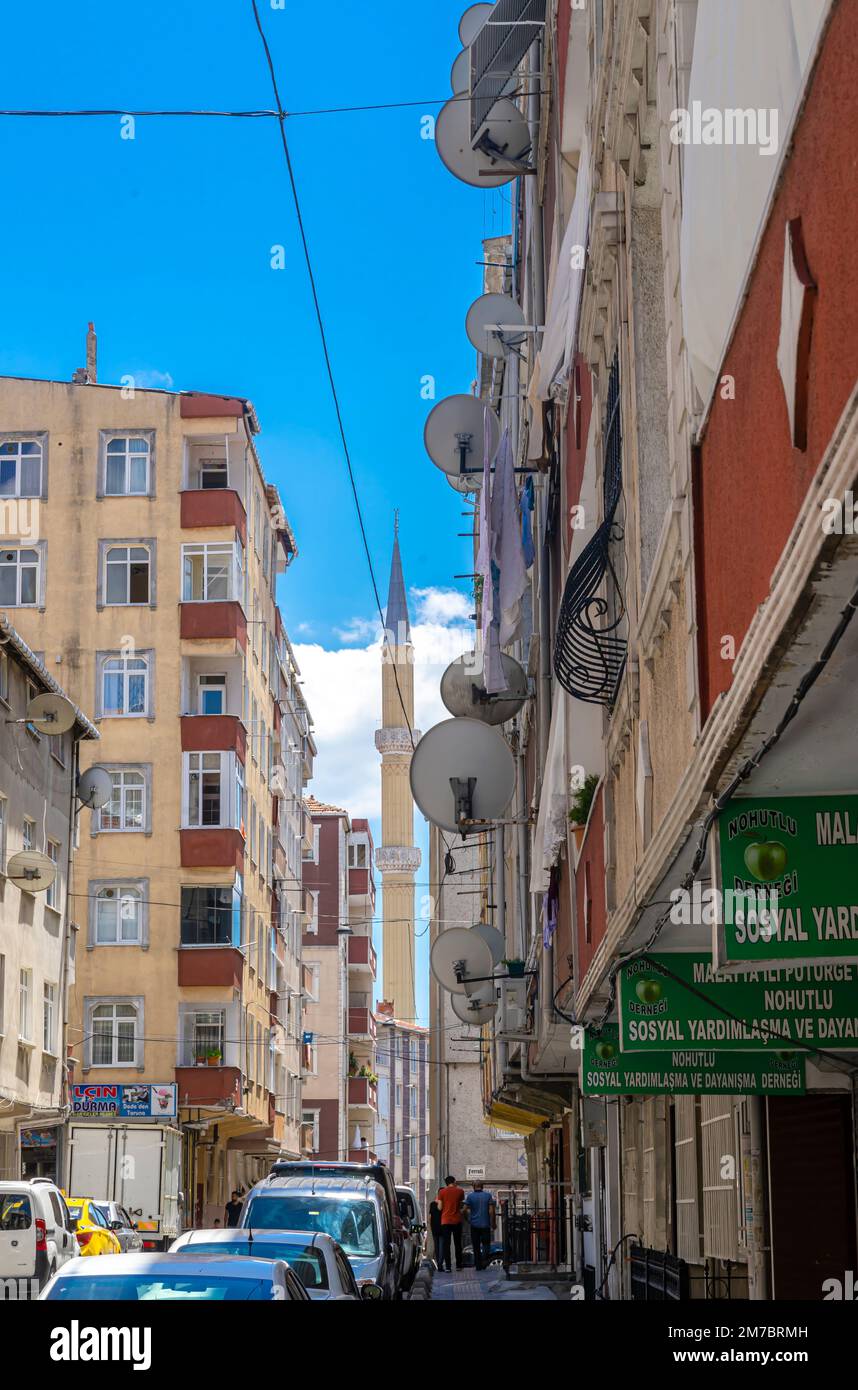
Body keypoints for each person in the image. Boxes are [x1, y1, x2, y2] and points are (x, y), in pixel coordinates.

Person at [436, 1175, 465, 1273]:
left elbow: (440, 1208)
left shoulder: (441, 1192)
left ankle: (448, 1267)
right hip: (457, 1220)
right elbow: (461, 1204)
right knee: (458, 1243)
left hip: (445, 1221)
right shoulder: (460, 1191)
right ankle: (459, 1265)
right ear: (454, 1181)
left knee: (446, 1244)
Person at [465, 1181, 496, 1271]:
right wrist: (493, 1223)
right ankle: (484, 1261)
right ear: (482, 1186)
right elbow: (491, 1211)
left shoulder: (470, 1196)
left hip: (474, 1225)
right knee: (486, 1245)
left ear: (474, 1186)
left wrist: (468, 1219)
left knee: (476, 1246)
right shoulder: (488, 1196)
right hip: (485, 1225)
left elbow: (464, 1210)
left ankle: (478, 1265)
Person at [428, 1198, 443, 1266]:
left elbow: (430, 1217)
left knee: (436, 1245)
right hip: (443, 1227)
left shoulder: (432, 1204)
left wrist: (431, 1227)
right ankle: (440, 1262)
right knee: (442, 1245)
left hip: (434, 1227)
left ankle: (438, 1262)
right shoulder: (444, 1204)